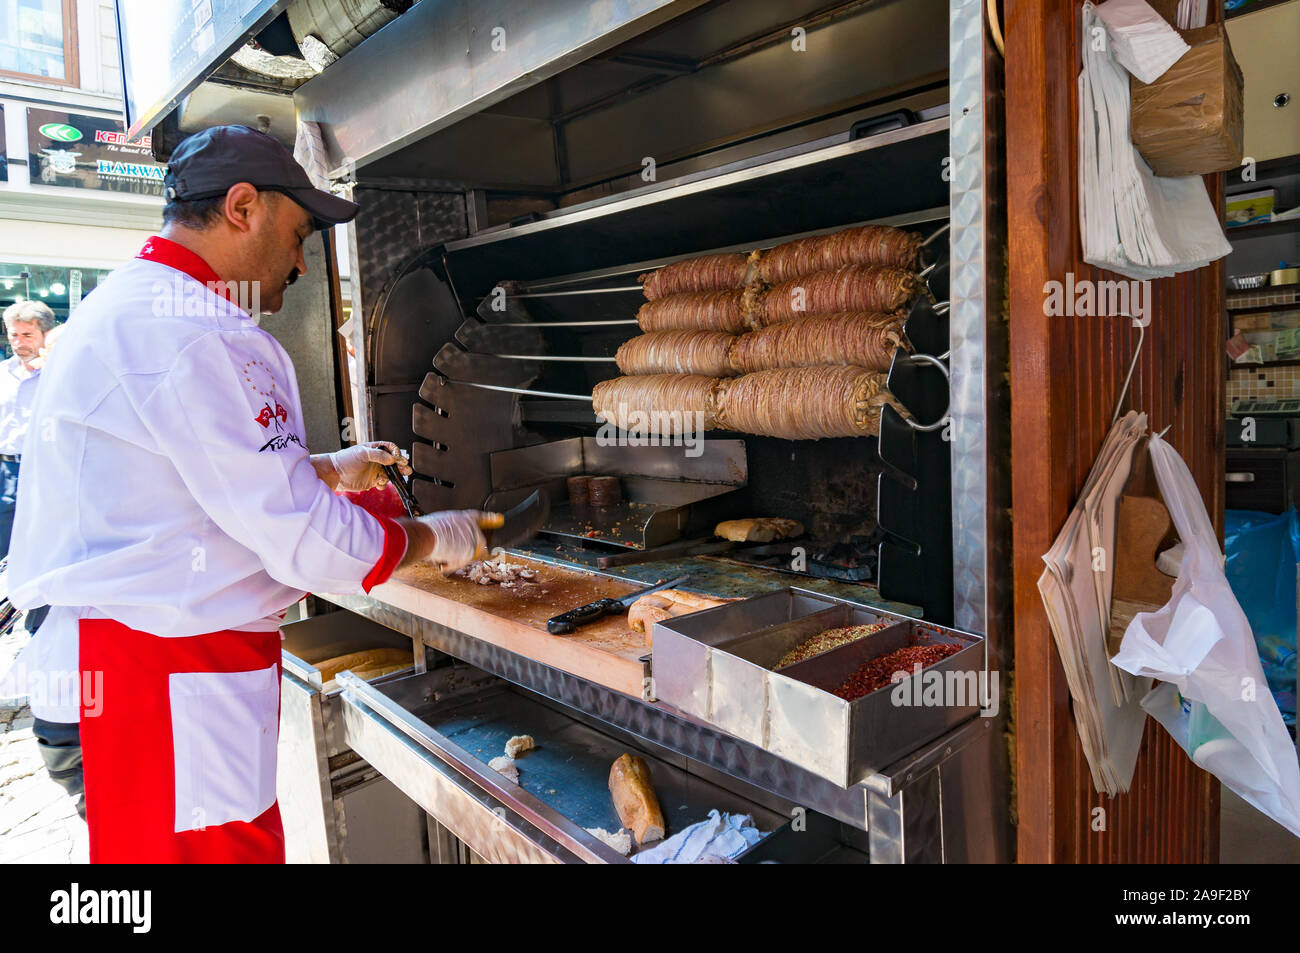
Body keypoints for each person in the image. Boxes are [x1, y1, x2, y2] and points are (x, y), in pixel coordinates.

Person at [1, 124, 489, 864]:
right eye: (297, 236)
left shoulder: (137, 304)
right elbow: (301, 540)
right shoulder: (197, 332)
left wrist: (325, 466)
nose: (299, 264)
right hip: (157, 683)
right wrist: (435, 537)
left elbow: (184, 479)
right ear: (241, 207)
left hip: (129, 669)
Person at [0, 300, 52, 560]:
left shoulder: (59, 376)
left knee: (38, 547)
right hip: (4, 470)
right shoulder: (2, 374)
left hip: (43, 470)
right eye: (14, 334)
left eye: (27, 335)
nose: (19, 342)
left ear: (45, 334)